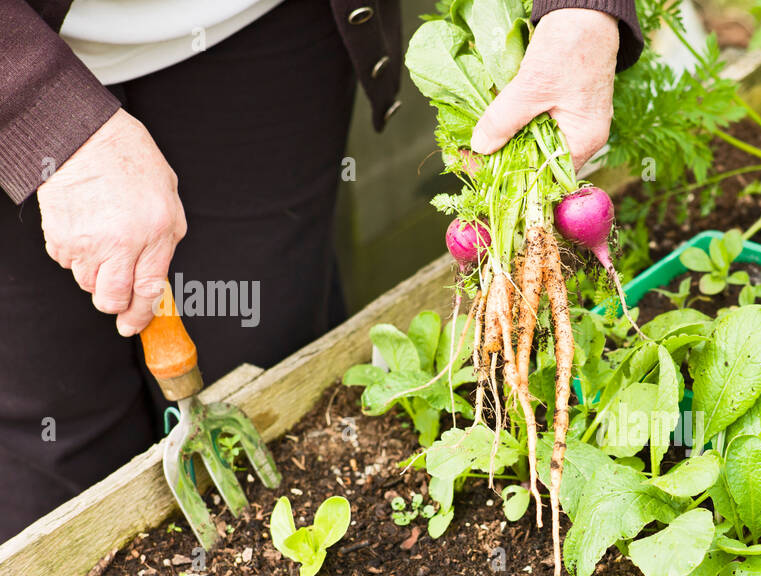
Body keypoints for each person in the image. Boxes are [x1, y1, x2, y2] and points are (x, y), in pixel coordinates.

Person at [0, 0, 642, 543]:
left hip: (258, 33)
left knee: (271, 363)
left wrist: (583, 10)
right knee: (56, 433)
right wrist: (43, 119)